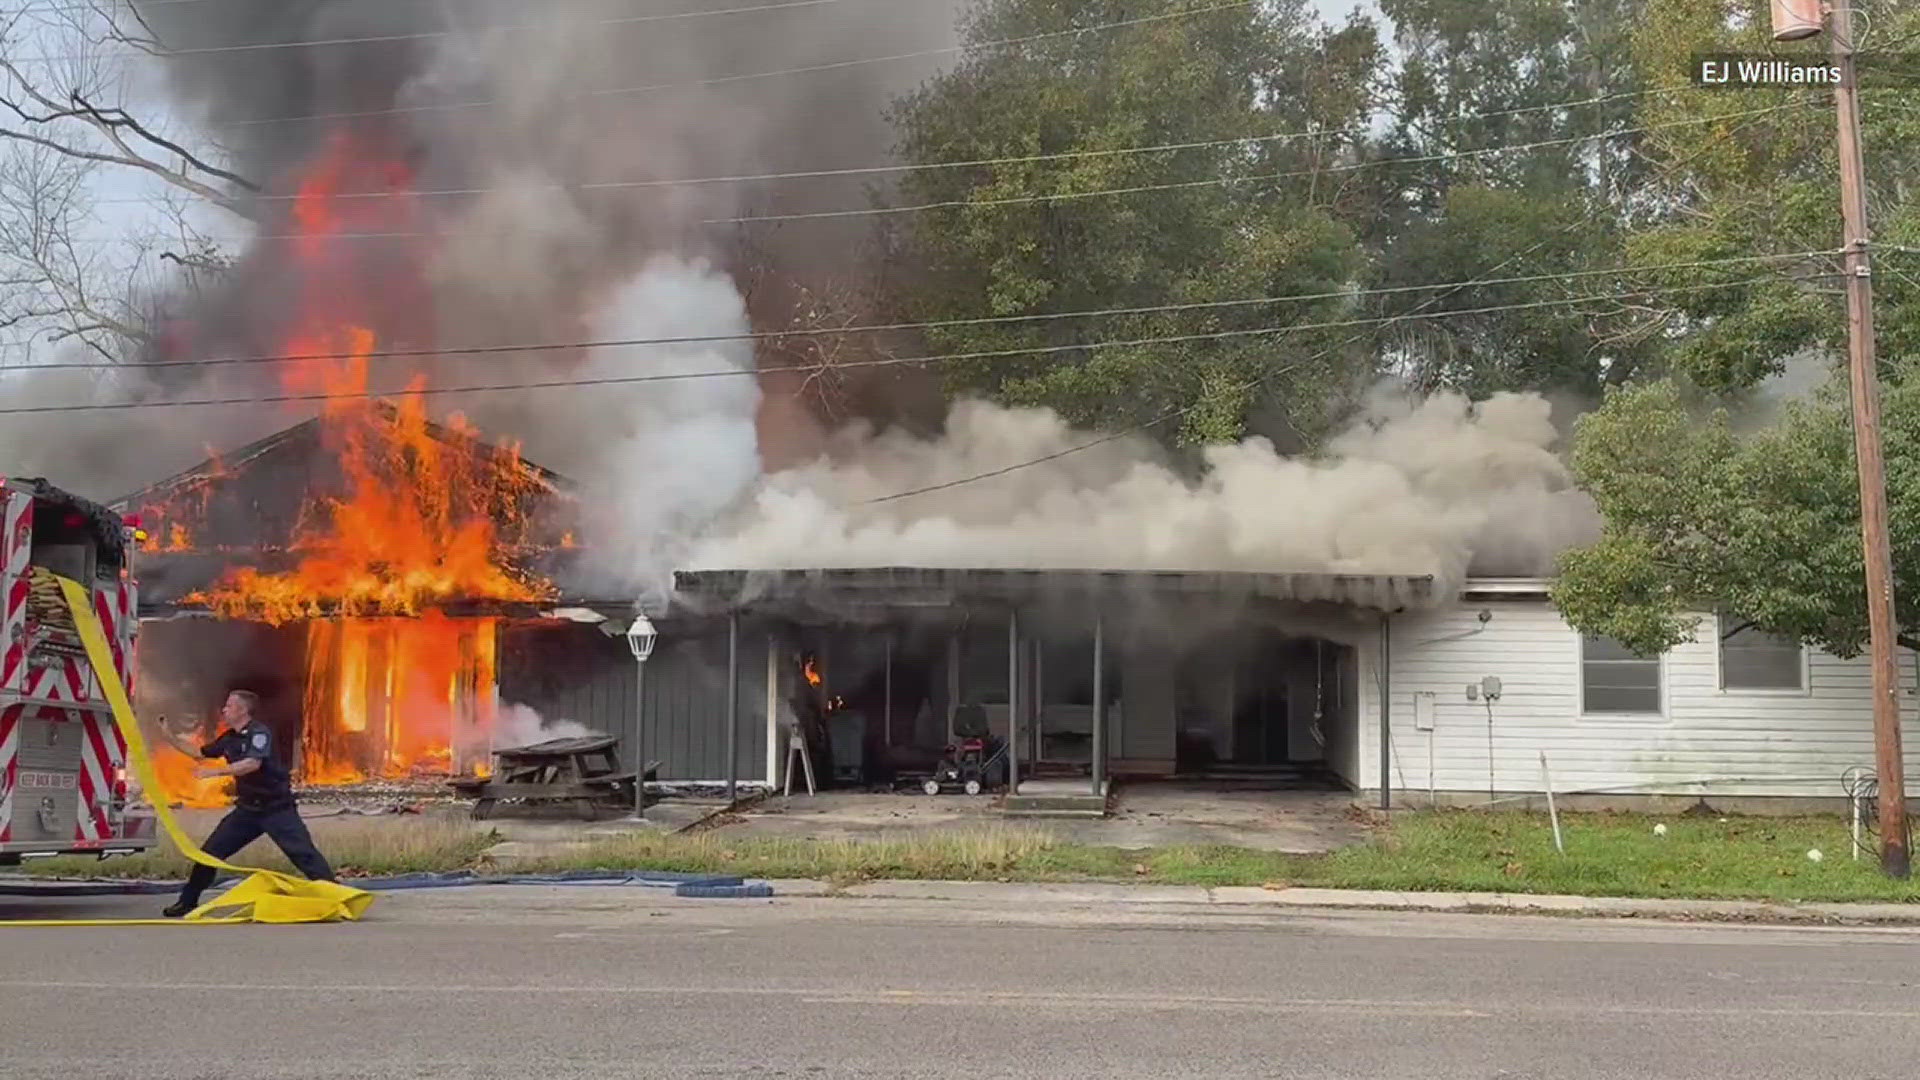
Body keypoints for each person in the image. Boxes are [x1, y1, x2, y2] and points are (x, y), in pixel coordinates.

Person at [155, 689, 336, 918]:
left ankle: (337, 895)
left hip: (276, 808)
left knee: (303, 854)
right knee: (209, 854)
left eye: (229, 706)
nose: (224, 710)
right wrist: (168, 735)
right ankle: (187, 902)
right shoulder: (229, 738)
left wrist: (215, 772)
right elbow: (199, 753)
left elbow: (252, 763)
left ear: (242, 710)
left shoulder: (259, 733)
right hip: (248, 811)